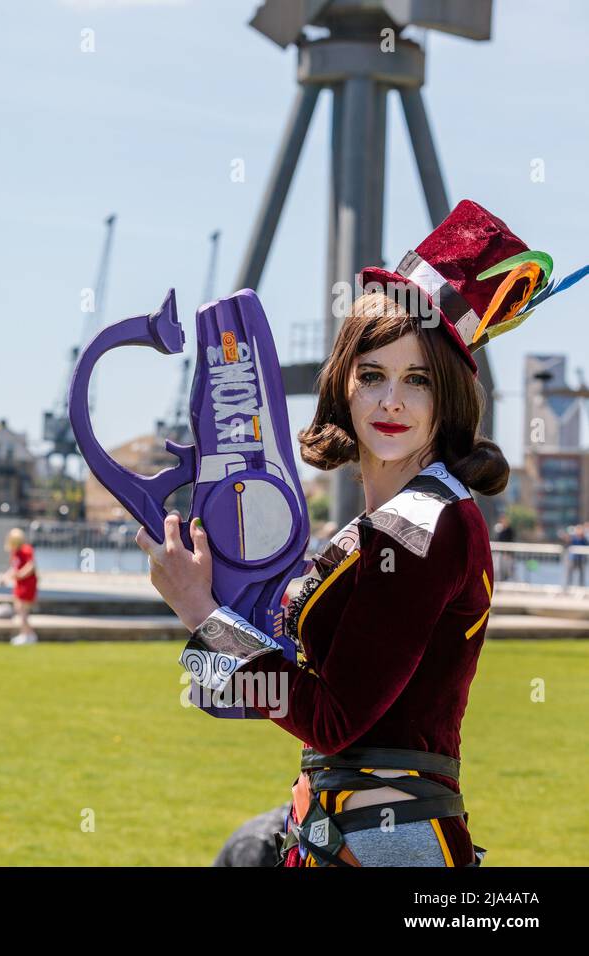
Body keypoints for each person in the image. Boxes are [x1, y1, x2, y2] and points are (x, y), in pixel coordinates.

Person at [147, 200, 583, 867]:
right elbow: (288, 698)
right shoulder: (394, 520)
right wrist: (213, 628)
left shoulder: (423, 525)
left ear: (450, 399)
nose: (391, 402)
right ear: (343, 384)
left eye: (419, 380)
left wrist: (200, 615)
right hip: (346, 831)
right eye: (373, 375)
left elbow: (330, 718)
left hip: (385, 844)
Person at [2, 528, 38, 645]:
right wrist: (6, 577)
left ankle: (27, 634)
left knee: (22, 610)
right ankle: (27, 633)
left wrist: (20, 575)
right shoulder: (15, 553)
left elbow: (30, 566)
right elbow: (13, 568)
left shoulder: (26, 550)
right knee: (19, 609)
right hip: (19, 584)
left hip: (27, 584)